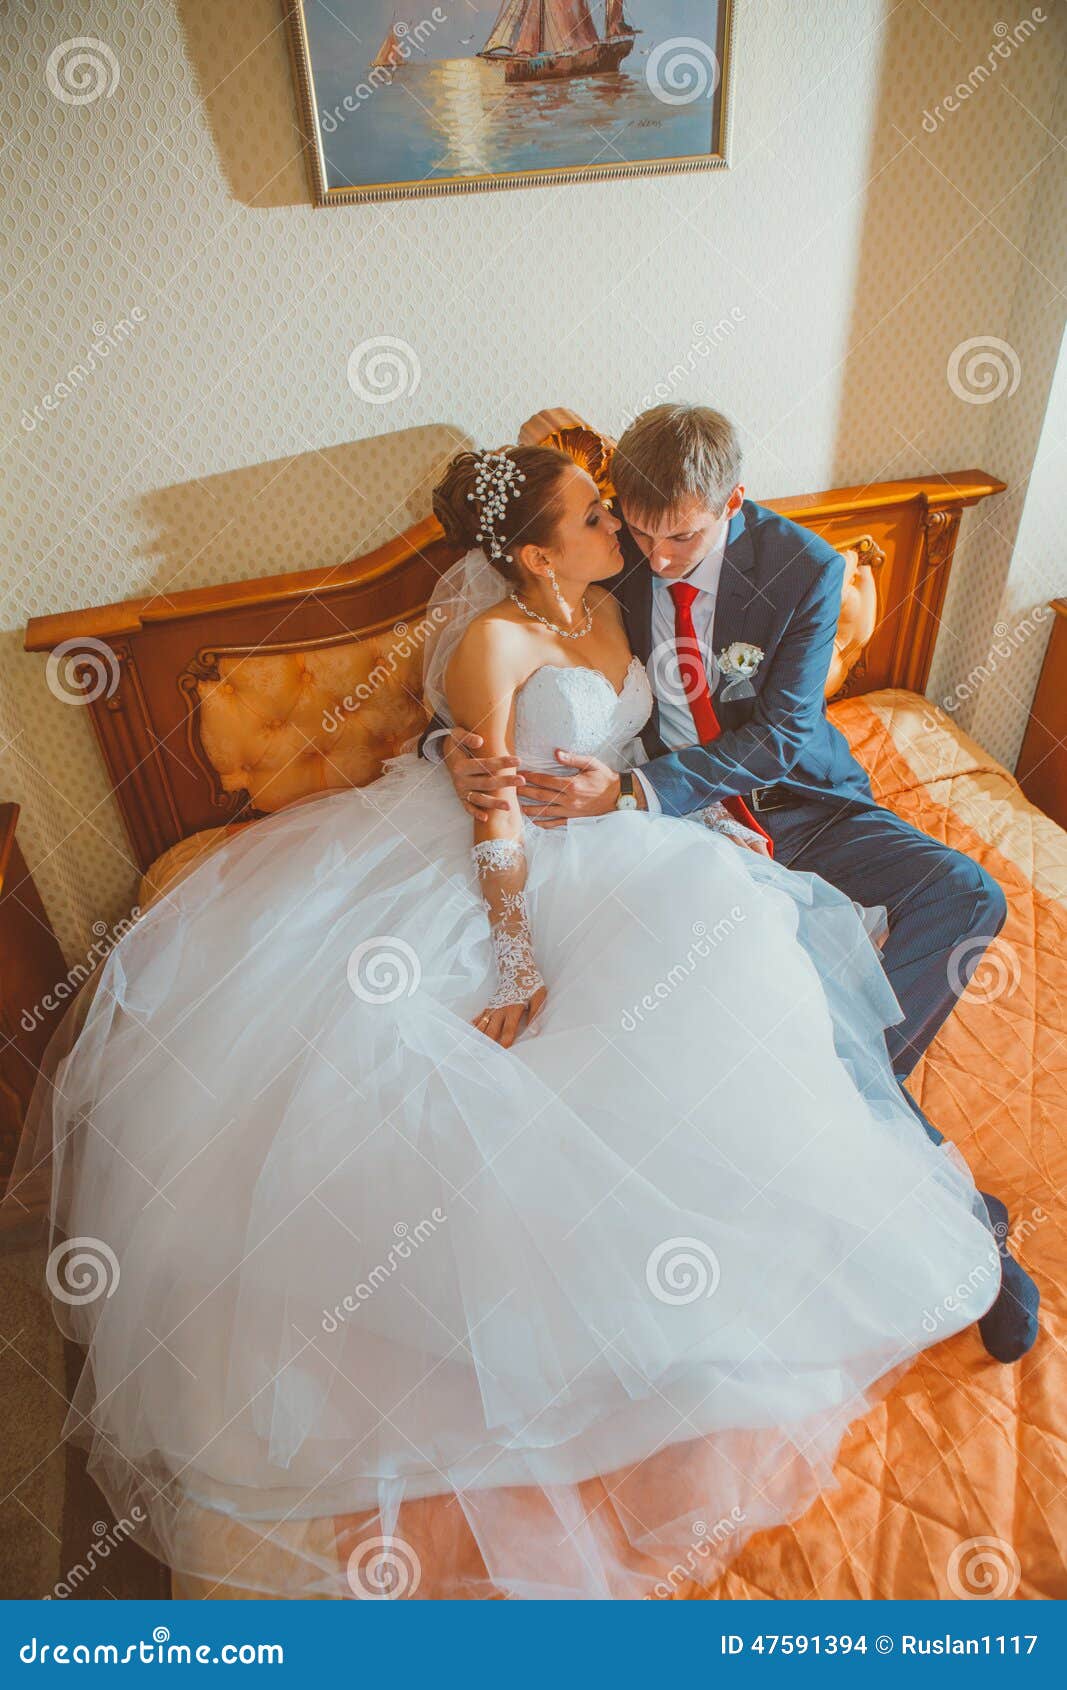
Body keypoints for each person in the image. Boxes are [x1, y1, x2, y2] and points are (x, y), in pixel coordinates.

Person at [8, 442, 1029, 1601]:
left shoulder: (624, 597)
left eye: (624, 515)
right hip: (510, 868)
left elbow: (677, 723)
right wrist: (509, 951)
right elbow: (486, 788)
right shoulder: (492, 640)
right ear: (535, 551)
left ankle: (862, 1166)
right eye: (598, 515)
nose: (627, 531)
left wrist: (633, 792)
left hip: (630, 836)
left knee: (740, 967)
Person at [421, 407, 1039, 1366]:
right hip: (679, 835)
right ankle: (964, 1228)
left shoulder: (804, 567)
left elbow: (783, 735)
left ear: (732, 504)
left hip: (795, 801)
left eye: (682, 536)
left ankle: (857, 1083)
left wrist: (632, 789)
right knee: (758, 993)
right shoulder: (603, 544)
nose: (657, 557)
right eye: (635, 528)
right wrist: (448, 753)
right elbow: (506, 655)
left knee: (969, 896)